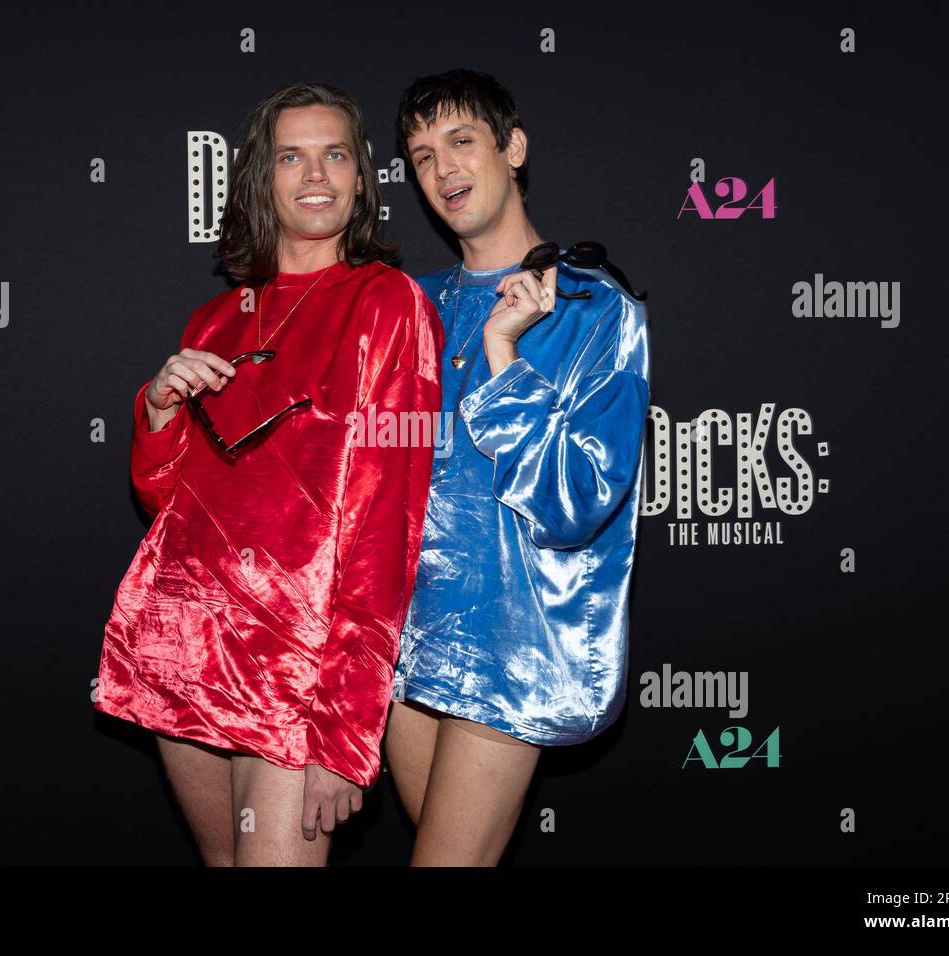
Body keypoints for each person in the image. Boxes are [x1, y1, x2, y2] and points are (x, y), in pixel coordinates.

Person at [94, 81, 443, 866]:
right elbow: (162, 500)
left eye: (335, 156)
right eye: (292, 156)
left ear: (361, 180)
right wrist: (156, 411)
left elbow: (390, 523)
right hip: (183, 638)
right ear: (263, 177)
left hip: (295, 664)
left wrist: (345, 724)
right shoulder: (215, 319)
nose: (314, 175)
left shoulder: (390, 305)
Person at [386, 68, 651, 865]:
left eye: (462, 142)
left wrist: (503, 356)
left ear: (513, 148)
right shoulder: (408, 307)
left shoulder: (594, 308)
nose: (444, 170)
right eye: (423, 155)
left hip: (511, 645)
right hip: (402, 643)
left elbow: (575, 501)